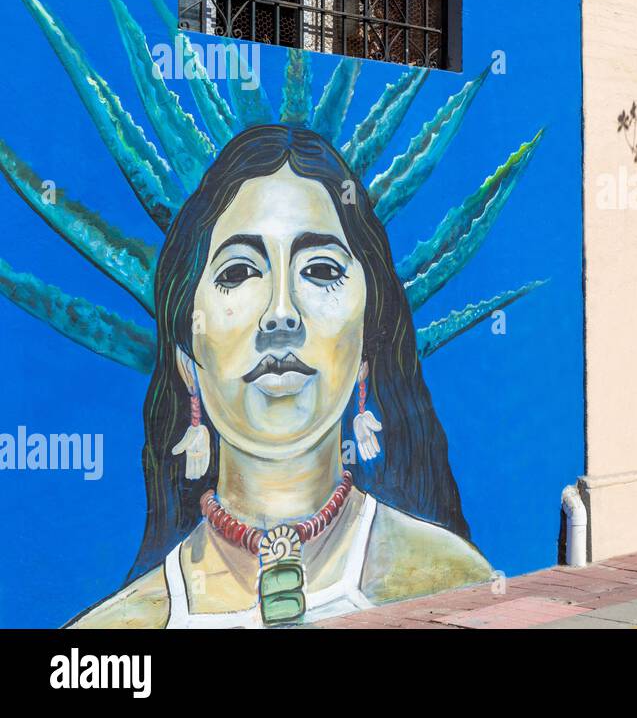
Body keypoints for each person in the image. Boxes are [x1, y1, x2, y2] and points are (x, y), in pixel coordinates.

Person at [69, 125, 492, 628]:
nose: (281, 313)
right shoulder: (114, 633)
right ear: (187, 356)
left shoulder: (454, 584)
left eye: (319, 270)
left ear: (366, 350)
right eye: (238, 272)